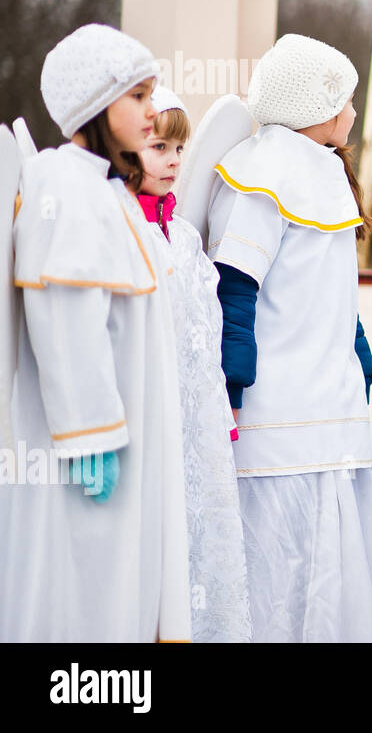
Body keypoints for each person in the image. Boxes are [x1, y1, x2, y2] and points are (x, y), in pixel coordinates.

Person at [206, 34, 372, 642]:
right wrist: (233, 379)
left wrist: (360, 360)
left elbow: (332, 291)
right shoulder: (261, 174)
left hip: (328, 400)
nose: (352, 112)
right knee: (282, 553)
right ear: (314, 107)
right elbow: (235, 288)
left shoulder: (326, 171)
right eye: (346, 100)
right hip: (277, 407)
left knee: (331, 547)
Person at [0, 24, 191, 642]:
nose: (151, 110)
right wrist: (91, 434)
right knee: (82, 584)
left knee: (116, 585)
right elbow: (64, 318)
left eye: (152, 93)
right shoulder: (63, 183)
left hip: (124, 428)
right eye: (137, 96)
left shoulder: (106, 189)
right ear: (93, 105)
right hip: (86, 442)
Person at [132, 87, 253, 642]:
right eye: (160, 146)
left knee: (193, 541)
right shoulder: (122, 232)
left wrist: (217, 405)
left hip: (189, 426)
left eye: (179, 148)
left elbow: (204, 330)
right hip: (141, 417)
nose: (175, 161)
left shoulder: (181, 238)